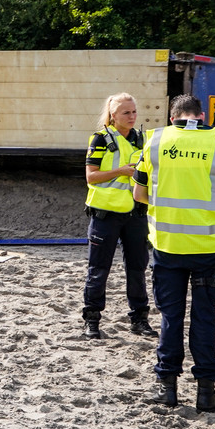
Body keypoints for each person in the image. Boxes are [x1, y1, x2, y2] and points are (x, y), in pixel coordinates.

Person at [132, 95, 215, 412]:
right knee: (205, 317)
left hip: (168, 246)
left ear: (173, 118)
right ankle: (206, 392)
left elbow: (139, 193)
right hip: (210, 248)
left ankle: (167, 388)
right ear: (202, 115)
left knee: (171, 317)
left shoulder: (155, 140)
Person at [81, 93, 155, 339]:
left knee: (137, 268)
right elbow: (91, 176)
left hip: (136, 214)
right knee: (98, 269)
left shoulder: (142, 139)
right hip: (106, 215)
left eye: (134, 111)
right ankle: (92, 320)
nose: (132, 117)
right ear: (113, 115)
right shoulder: (100, 139)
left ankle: (139, 319)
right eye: (126, 112)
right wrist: (120, 171)